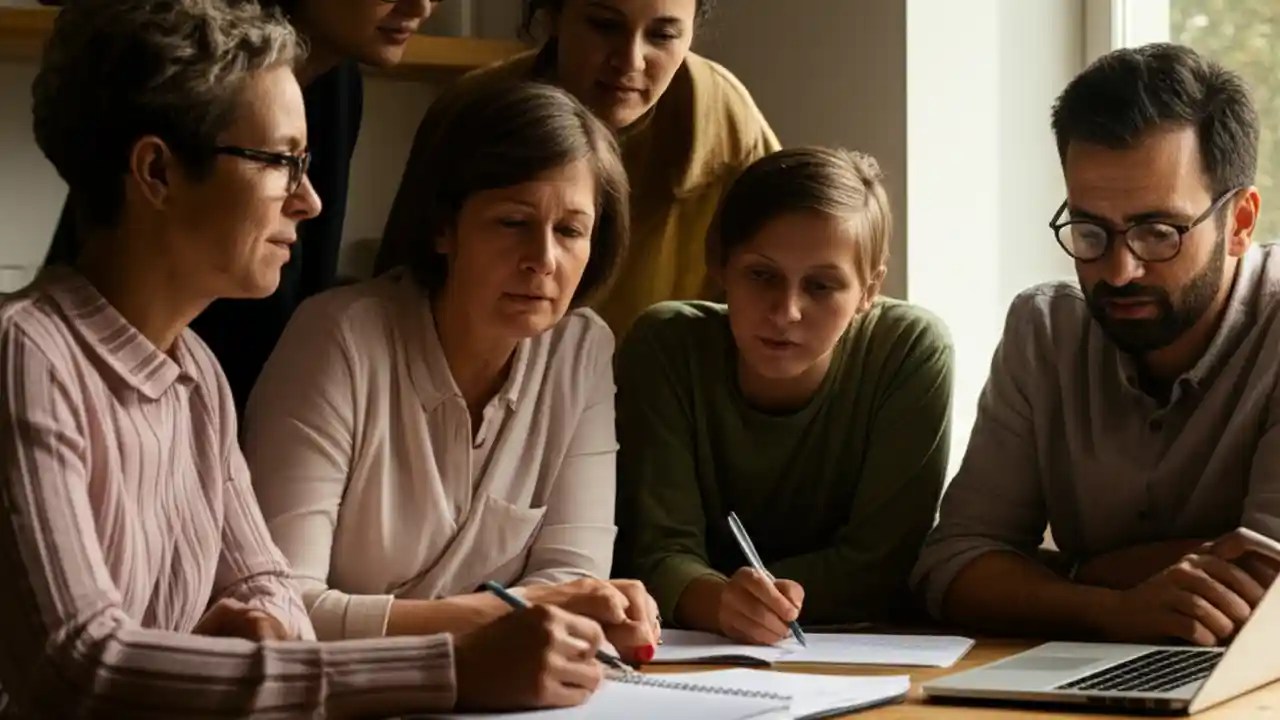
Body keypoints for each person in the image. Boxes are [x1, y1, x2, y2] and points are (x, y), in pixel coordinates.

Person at [0, 2, 608, 715]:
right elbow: (77, 664)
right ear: (157, 171)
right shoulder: (26, 359)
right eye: (281, 162)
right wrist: (450, 666)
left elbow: (272, 590)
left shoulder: (194, 373)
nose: (311, 201)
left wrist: (260, 632)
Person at [244, 80, 663, 663]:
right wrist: (500, 616)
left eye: (570, 230)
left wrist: (582, 610)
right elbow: (278, 608)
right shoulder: (338, 338)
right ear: (444, 227)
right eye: (513, 222)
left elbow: (573, 577)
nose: (543, 259)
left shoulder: (581, 350)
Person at [912, 43, 1280, 648]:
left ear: (1239, 223)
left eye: (1158, 232)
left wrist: (1079, 572)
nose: (1118, 270)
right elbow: (952, 564)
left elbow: (1266, 590)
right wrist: (1111, 608)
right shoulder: (1045, 331)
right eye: (1090, 230)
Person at [614, 147, 954, 644]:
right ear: (720, 263)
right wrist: (720, 602)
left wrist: (728, 595)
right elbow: (655, 551)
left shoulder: (909, 350)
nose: (786, 311)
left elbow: (882, 563)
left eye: (821, 286)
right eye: (762, 275)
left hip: (861, 647)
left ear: (868, 290)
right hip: (700, 644)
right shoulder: (665, 346)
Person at [41, 0, 442, 414]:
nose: (423, 5)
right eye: (276, 160)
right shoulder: (41, 363)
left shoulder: (338, 87)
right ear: (157, 171)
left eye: (300, 161)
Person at [376, 0, 780, 337]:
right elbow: (402, 287)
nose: (630, 61)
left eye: (663, 35)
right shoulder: (474, 109)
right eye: (604, 26)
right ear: (554, 15)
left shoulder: (725, 122)